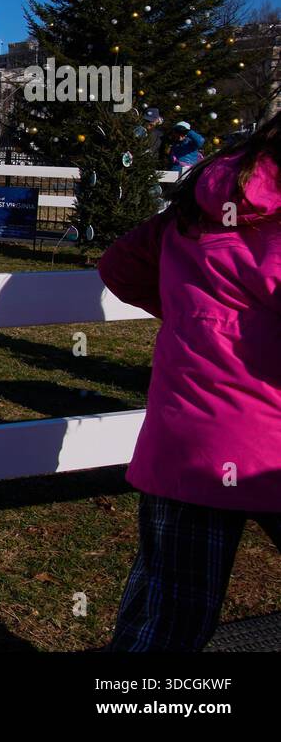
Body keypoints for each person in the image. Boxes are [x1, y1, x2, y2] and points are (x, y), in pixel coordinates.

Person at [97, 112, 281, 651]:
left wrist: (192, 316)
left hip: (186, 440)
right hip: (267, 437)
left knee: (166, 612)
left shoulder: (195, 206)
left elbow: (119, 266)